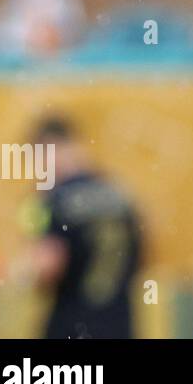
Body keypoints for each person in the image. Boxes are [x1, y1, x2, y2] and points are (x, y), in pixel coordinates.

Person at [28, 116, 144, 339]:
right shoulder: (119, 194)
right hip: (118, 324)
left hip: (73, 325)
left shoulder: (59, 199)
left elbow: (48, 266)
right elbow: (141, 255)